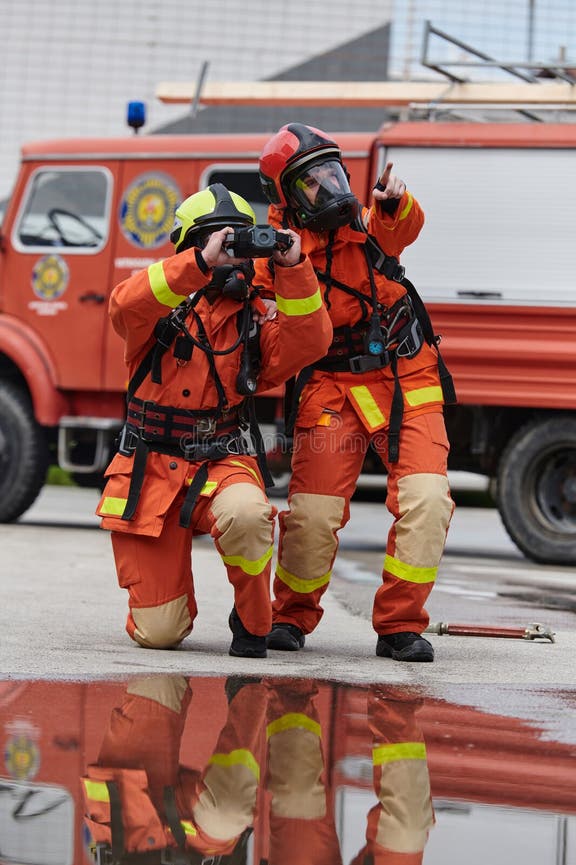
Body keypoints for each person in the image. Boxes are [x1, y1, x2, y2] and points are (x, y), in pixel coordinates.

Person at [96, 183, 332, 658]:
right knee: (159, 634)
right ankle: (171, 607)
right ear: (189, 246)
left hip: (222, 461)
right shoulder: (155, 310)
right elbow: (123, 303)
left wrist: (294, 269)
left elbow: (312, 343)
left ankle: (251, 622)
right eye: (217, 241)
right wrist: (200, 264)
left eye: (238, 244)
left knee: (248, 514)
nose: (230, 255)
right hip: (150, 472)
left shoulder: (255, 319)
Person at [255, 123, 456, 662]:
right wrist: (288, 271)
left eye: (334, 172)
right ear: (289, 197)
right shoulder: (273, 261)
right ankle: (290, 616)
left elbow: (401, 227)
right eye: (314, 180)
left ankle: (399, 625)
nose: (330, 186)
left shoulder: (370, 228)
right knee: (313, 515)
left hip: (404, 382)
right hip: (329, 389)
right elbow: (272, 348)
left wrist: (397, 201)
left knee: (428, 501)